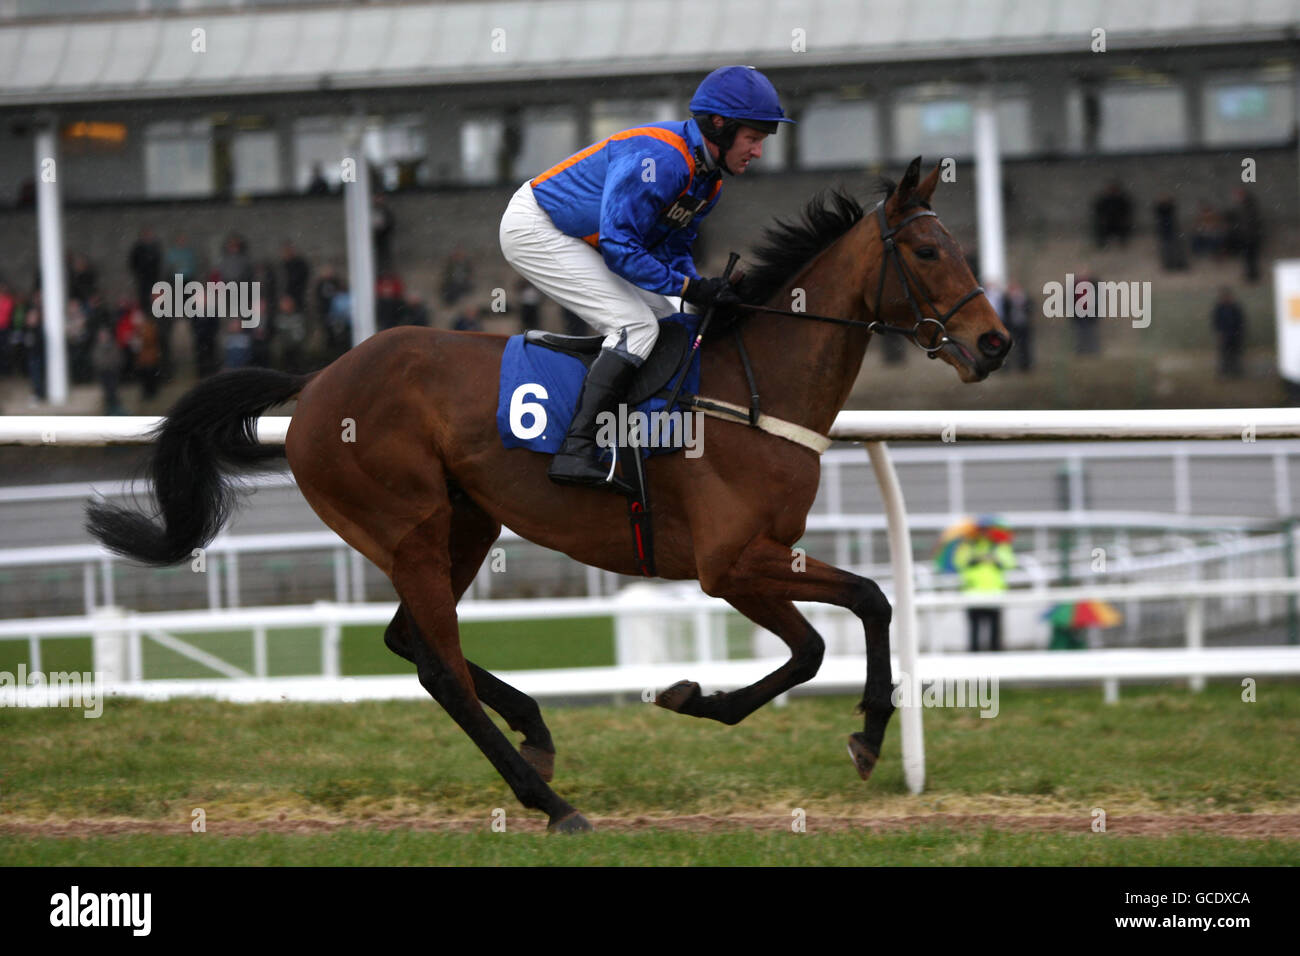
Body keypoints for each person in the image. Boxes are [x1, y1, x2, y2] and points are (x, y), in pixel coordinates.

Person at [499, 64, 792, 491]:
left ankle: (644, 430)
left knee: (679, 316)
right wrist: (693, 287)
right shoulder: (661, 160)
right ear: (720, 125)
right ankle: (576, 449)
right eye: (753, 139)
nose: (758, 152)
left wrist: (699, 296)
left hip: (586, 237)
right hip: (537, 228)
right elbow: (621, 250)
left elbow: (672, 249)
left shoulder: (707, 183)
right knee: (635, 325)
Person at [951, 516, 1017, 652]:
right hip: (972, 592)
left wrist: (994, 558)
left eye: (987, 530)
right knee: (974, 629)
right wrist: (976, 558)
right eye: (982, 530)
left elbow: (1010, 563)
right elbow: (959, 562)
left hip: (995, 592)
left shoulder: (999, 546)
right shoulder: (967, 546)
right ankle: (973, 659)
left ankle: (996, 657)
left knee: (995, 630)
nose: (985, 533)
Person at [1211, 287, 1245, 378]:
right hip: (1224, 335)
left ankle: (1235, 371)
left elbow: (1240, 321)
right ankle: (1224, 371)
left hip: (1235, 335)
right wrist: (1219, 333)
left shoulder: (1235, 308)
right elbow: (1216, 321)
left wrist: (1239, 333)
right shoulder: (1219, 308)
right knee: (1224, 355)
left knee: (1235, 354)